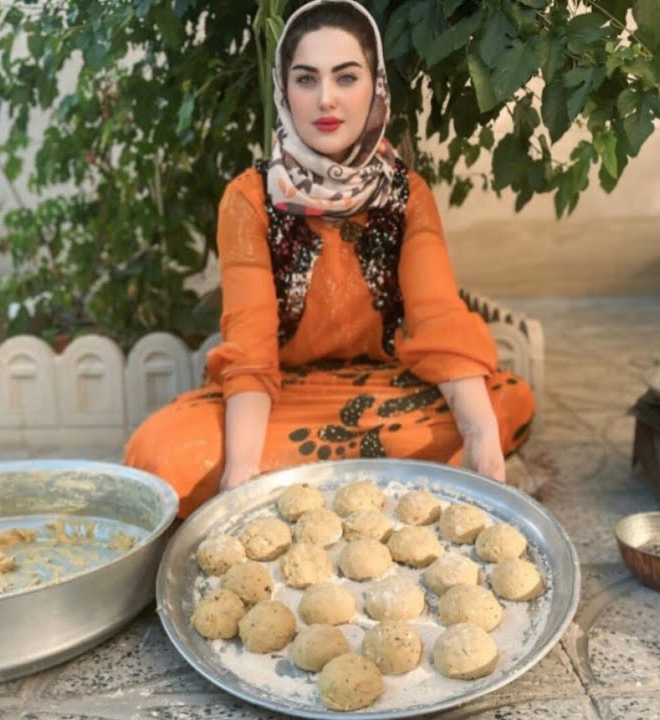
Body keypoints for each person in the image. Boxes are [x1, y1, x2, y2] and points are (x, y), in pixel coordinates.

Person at [125, 0, 535, 517]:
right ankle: (375, 477)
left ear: (375, 86)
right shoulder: (250, 197)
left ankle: (309, 482)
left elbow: (439, 320)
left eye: (346, 78)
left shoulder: (407, 193)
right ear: (284, 90)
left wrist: (480, 440)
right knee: (163, 452)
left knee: (506, 403)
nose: (326, 99)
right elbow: (250, 354)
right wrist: (240, 476)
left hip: (388, 391)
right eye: (305, 79)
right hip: (282, 400)